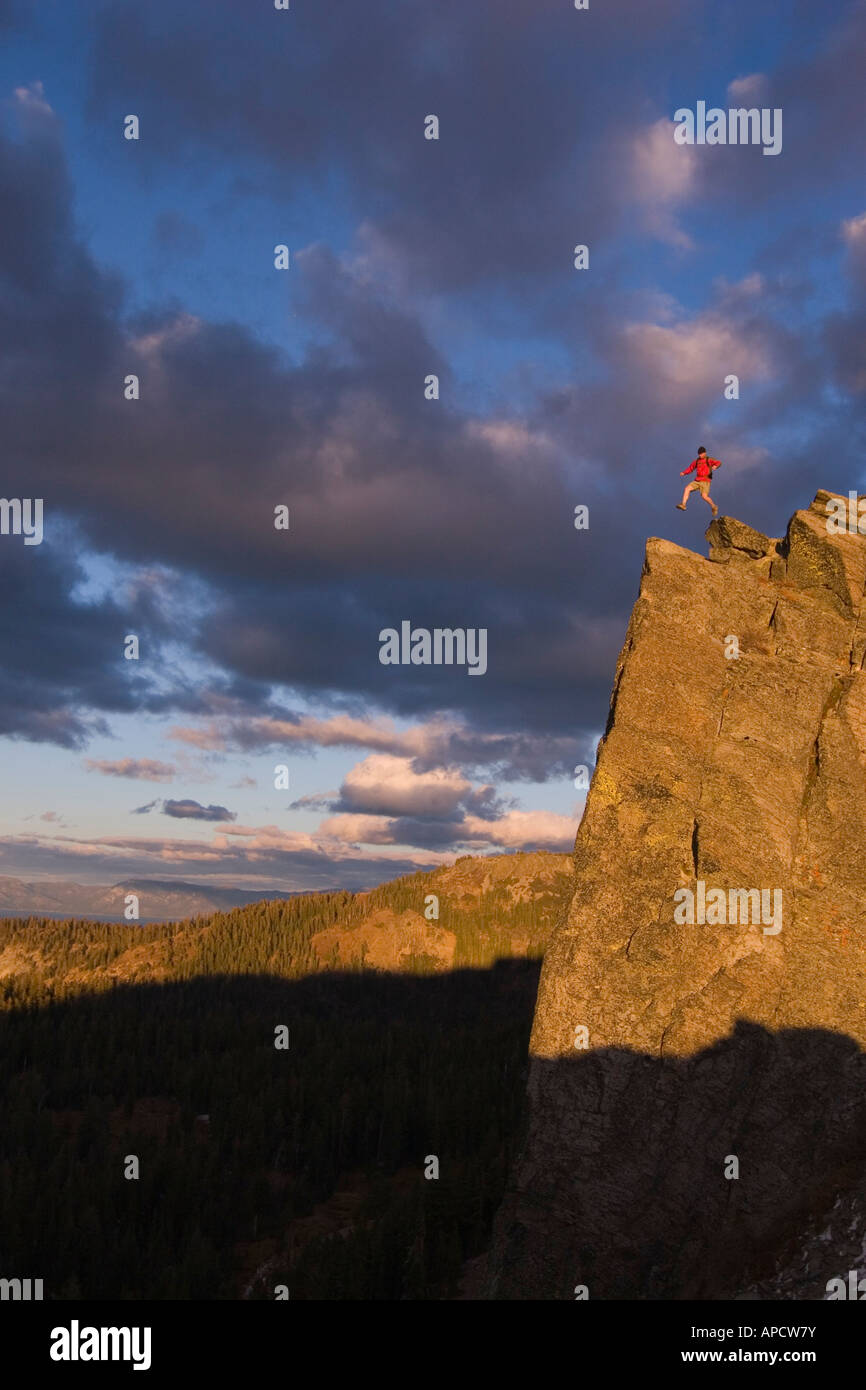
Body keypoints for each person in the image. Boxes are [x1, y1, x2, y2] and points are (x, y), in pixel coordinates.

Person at [676, 447, 721, 515]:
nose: (700, 455)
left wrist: (716, 466)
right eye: (699, 454)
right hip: (697, 480)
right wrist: (684, 472)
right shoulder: (697, 461)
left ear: (705, 453)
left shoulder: (709, 459)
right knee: (687, 488)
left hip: (706, 480)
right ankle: (683, 504)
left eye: (701, 454)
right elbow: (690, 468)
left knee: (704, 496)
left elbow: (719, 462)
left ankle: (714, 506)